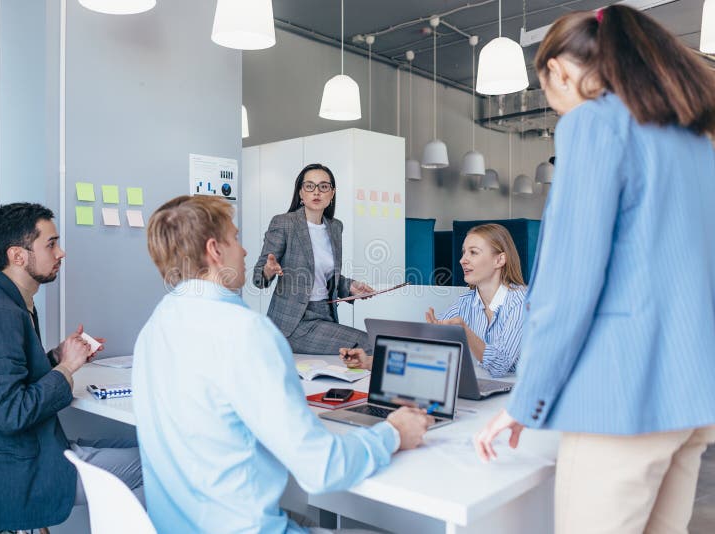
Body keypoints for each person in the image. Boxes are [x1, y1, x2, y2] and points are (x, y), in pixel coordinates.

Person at [473, 6, 715, 534]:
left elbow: (569, 283)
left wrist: (525, 399)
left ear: (560, 70)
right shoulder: (697, 141)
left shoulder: (595, 124)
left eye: (549, 91)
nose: (556, 107)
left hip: (619, 398)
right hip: (692, 399)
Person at [133, 195, 432, 533]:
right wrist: (393, 433)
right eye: (236, 239)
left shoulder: (154, 326)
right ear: (215, 251)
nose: (244, 251)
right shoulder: (247, 332)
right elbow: (322, 469)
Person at [0, 203, 143, 531]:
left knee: (149, 449)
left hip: (22, 454)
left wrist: (54, 358)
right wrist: (65, 368)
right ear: (18, 256)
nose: (61, 252)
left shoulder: (13, 305)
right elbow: (12, 412)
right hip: (14, 474)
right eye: (51, 244)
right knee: (156, 466)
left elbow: (12, 379)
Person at [342, 224, 527, 379]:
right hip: (489, 387)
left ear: (500, 259)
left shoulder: (520, 302)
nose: (463, 260)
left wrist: (464, 332)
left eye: (473, 252)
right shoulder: (465, 303)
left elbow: (500, 366)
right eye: (463, 253)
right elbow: (421, 347)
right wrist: (369, 361)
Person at [253, 163, 375, 354]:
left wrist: (349, 286)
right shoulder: (284, 223)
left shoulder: (335, 227)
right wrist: (269, 270)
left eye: (323, 186)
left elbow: (325, 277)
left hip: (325, 315)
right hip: (293, 324)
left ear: (332, 193)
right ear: (301, 192)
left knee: (367, 347)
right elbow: (258, 278)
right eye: (309, 186)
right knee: (371, 344)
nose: (316, 192)